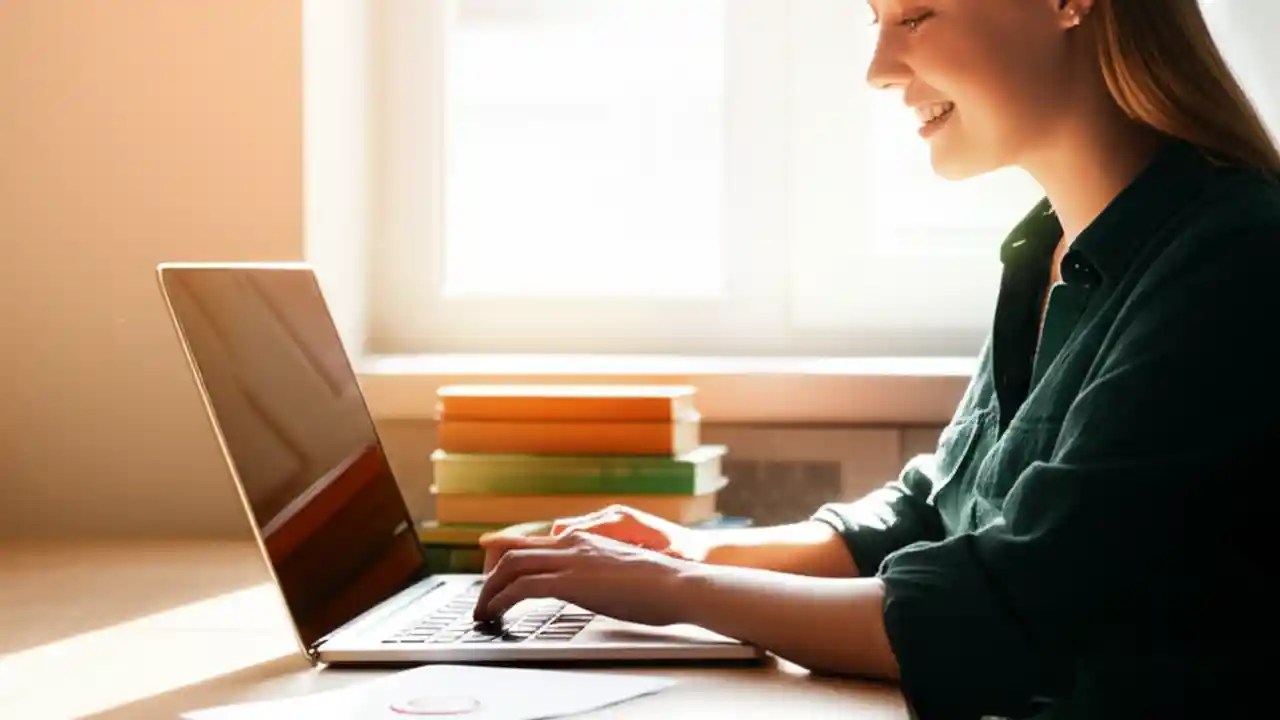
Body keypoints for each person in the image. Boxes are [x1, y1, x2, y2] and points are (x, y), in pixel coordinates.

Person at [473, 1, 1280, 717]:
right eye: (876, 22)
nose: (877, 70)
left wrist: (678, 592)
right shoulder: (1050, 249)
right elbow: (937, 510)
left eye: (916, 17)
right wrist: (691, 552)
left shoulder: (1237, 260)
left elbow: (1009, 612)